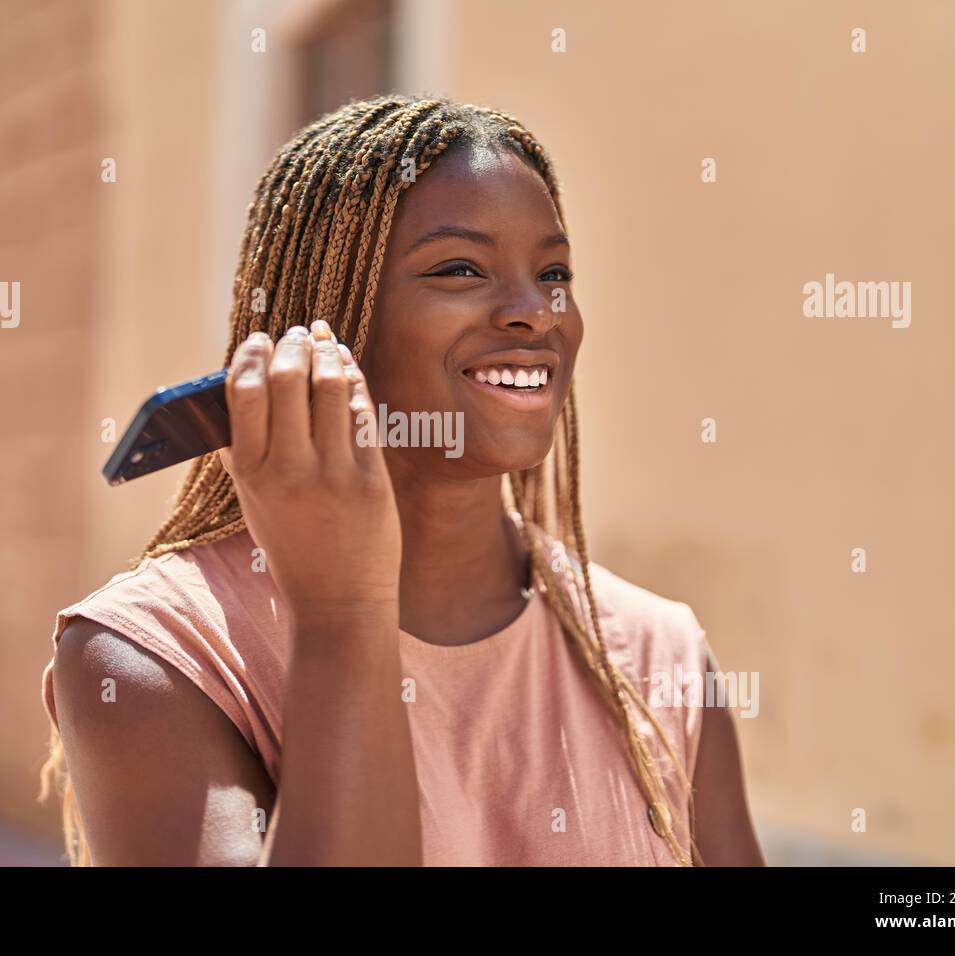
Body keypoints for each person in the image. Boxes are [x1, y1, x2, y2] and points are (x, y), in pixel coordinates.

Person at [37, 94, 764, 866]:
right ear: (328, 322)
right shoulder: (152, 655)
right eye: (460, 268)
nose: (536, 312)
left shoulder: (661, 656)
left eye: (553, 272)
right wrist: (343, 609)